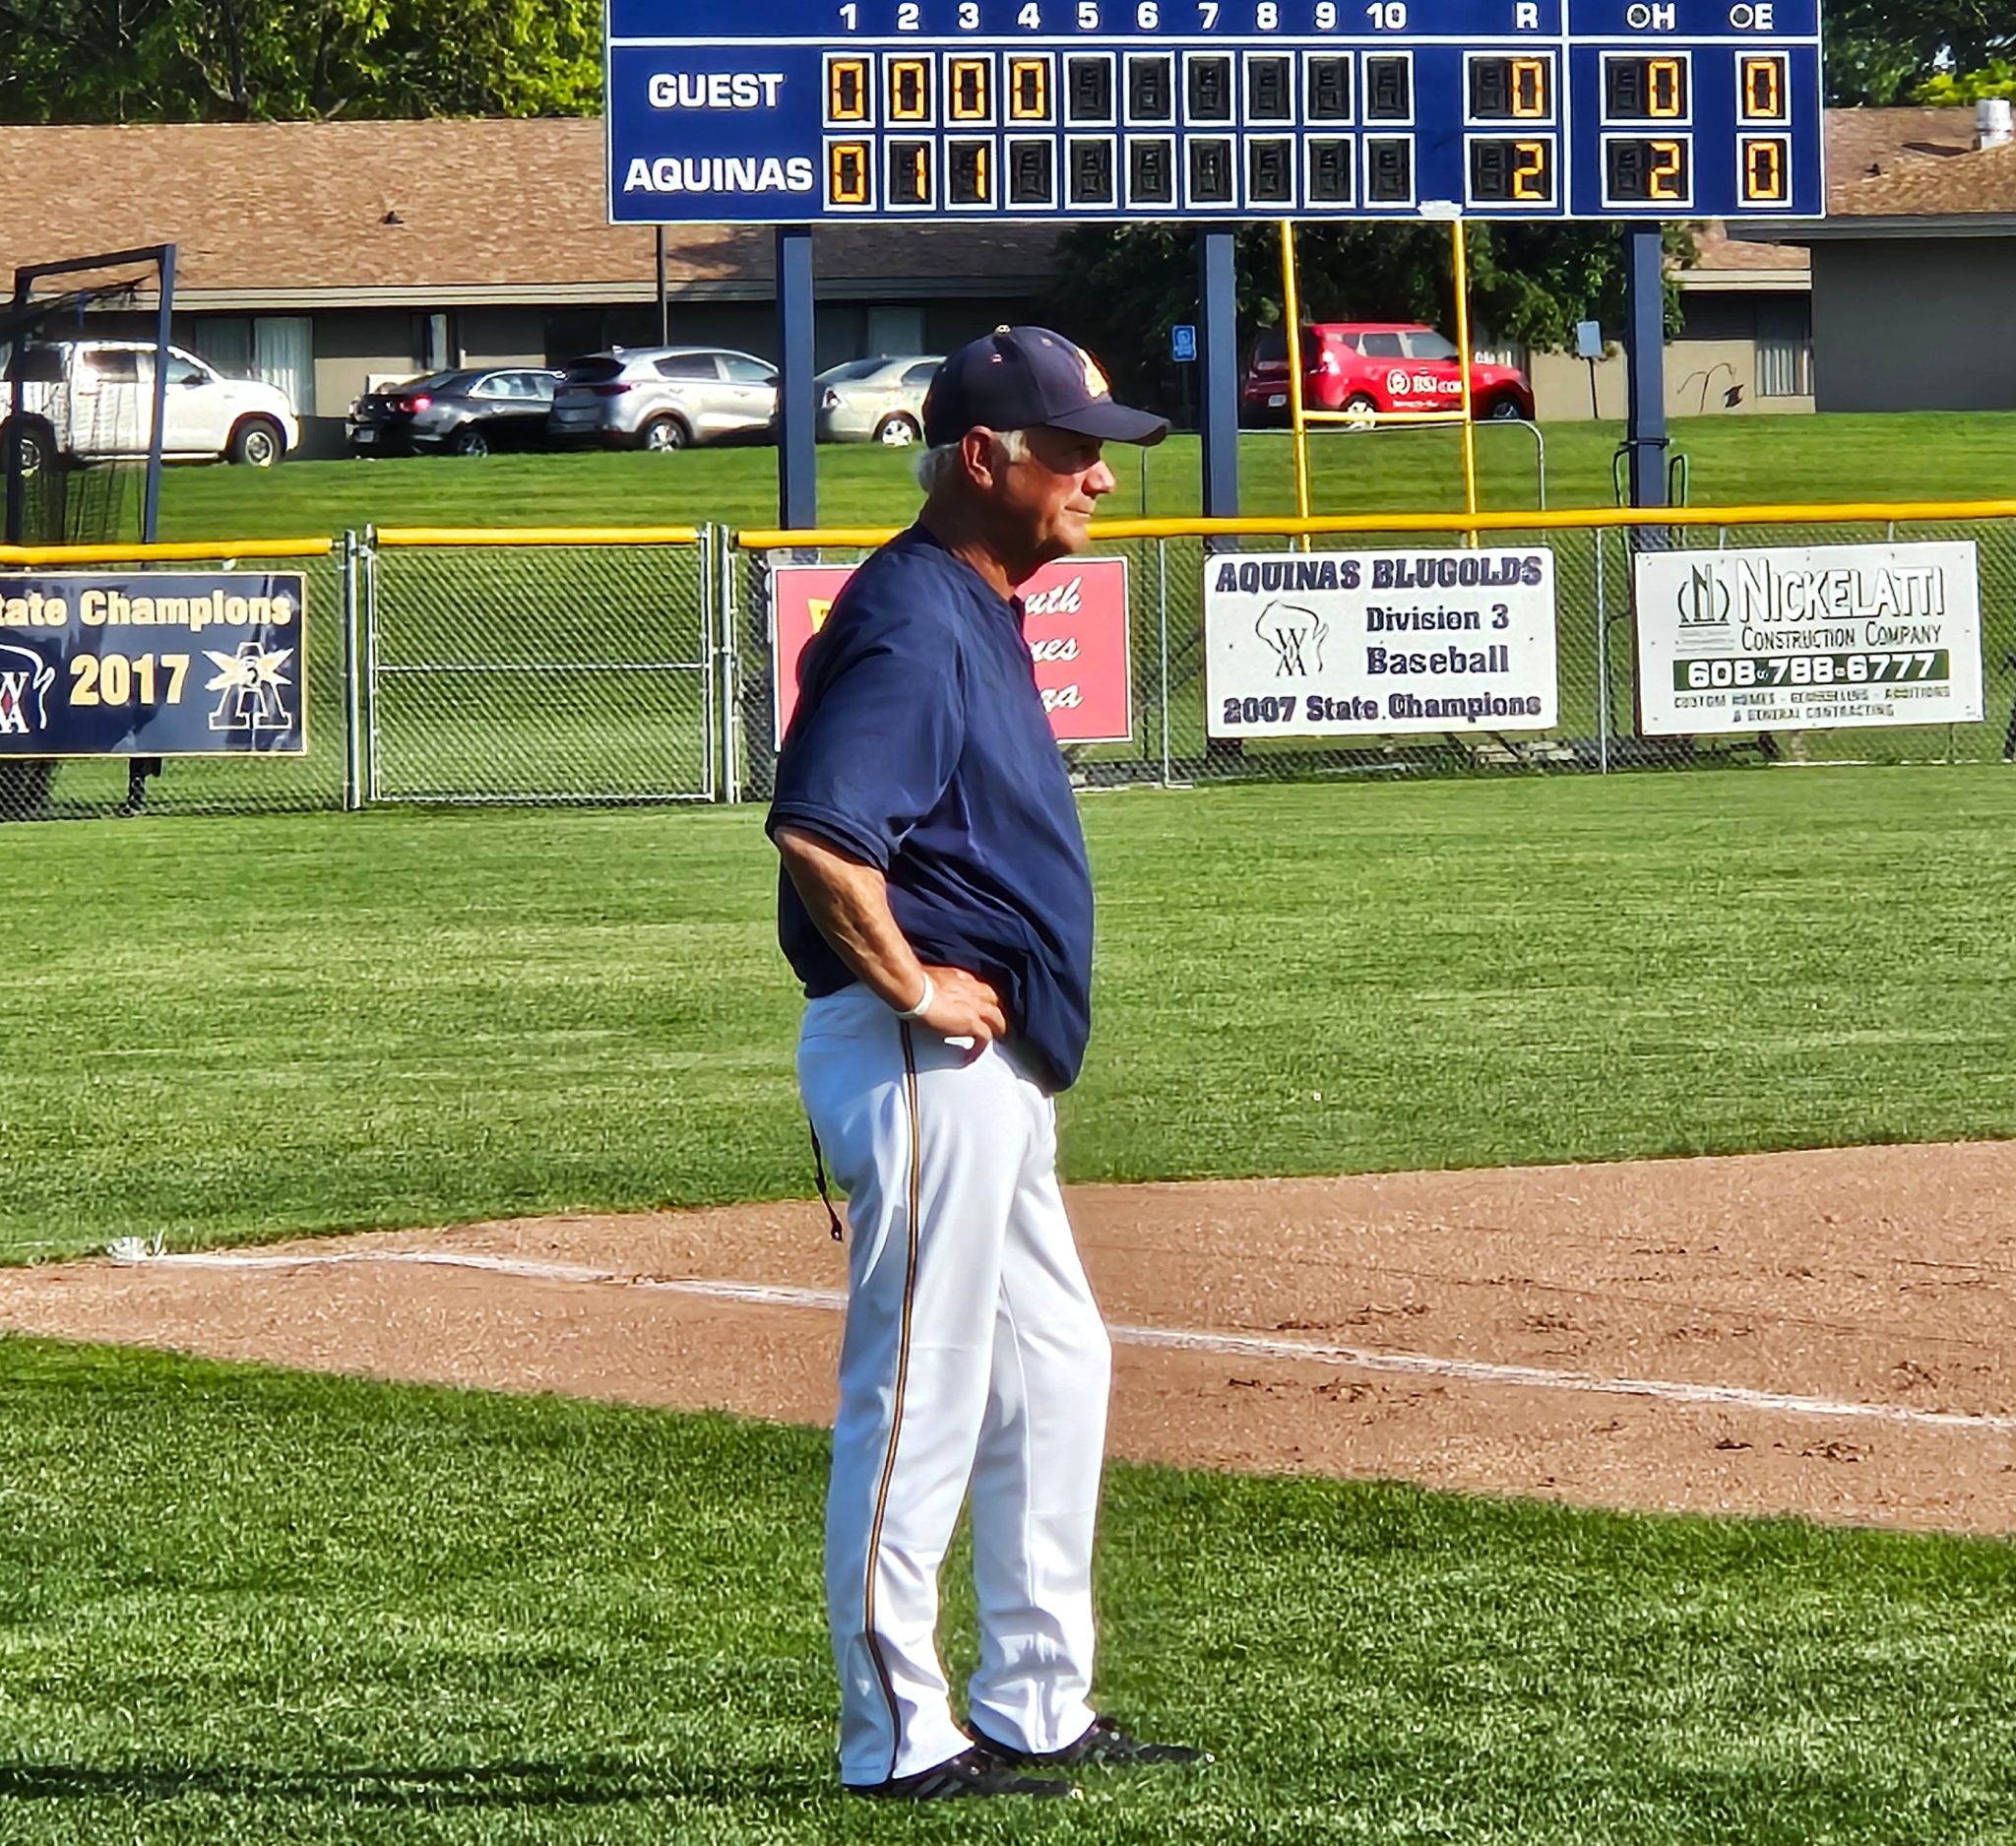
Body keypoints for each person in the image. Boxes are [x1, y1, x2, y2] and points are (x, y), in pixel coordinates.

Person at [766, 328, 1206, 1801]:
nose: (1097, 473)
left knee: (1056, 1369)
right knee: (925, 1390)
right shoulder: (912, 616)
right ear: (982, 460)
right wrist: (912, 982)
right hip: (918, 1058)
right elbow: (824, 834)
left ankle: (1035, 1702)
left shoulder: (971, 606)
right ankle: (896, 1735)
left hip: (982, 1067)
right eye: (1071, 448)